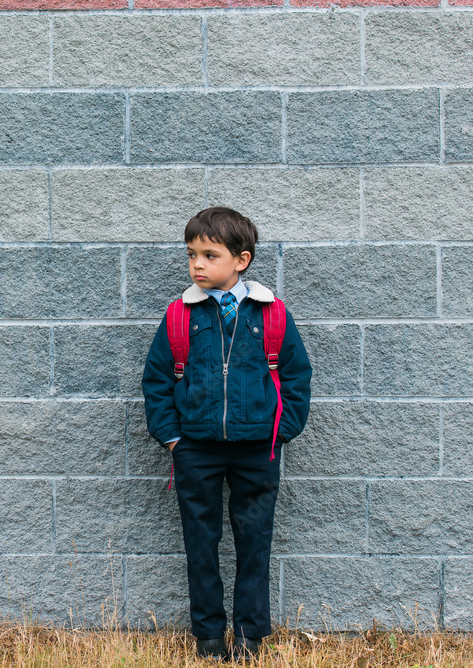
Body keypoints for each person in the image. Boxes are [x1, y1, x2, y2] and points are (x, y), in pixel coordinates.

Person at [141, 207, 312, 661]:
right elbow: (157, 381)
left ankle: (251, 636)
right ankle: (210, 636)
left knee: (255, 540)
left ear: (242, 259)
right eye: (192, 254)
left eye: (209, 255)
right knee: (201, 541)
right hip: (195, 448)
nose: (197, 264)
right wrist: (173, 439)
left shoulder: (271, 314)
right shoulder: (180, 315)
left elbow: (297, 377)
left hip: (258, 448)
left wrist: (282, 431)